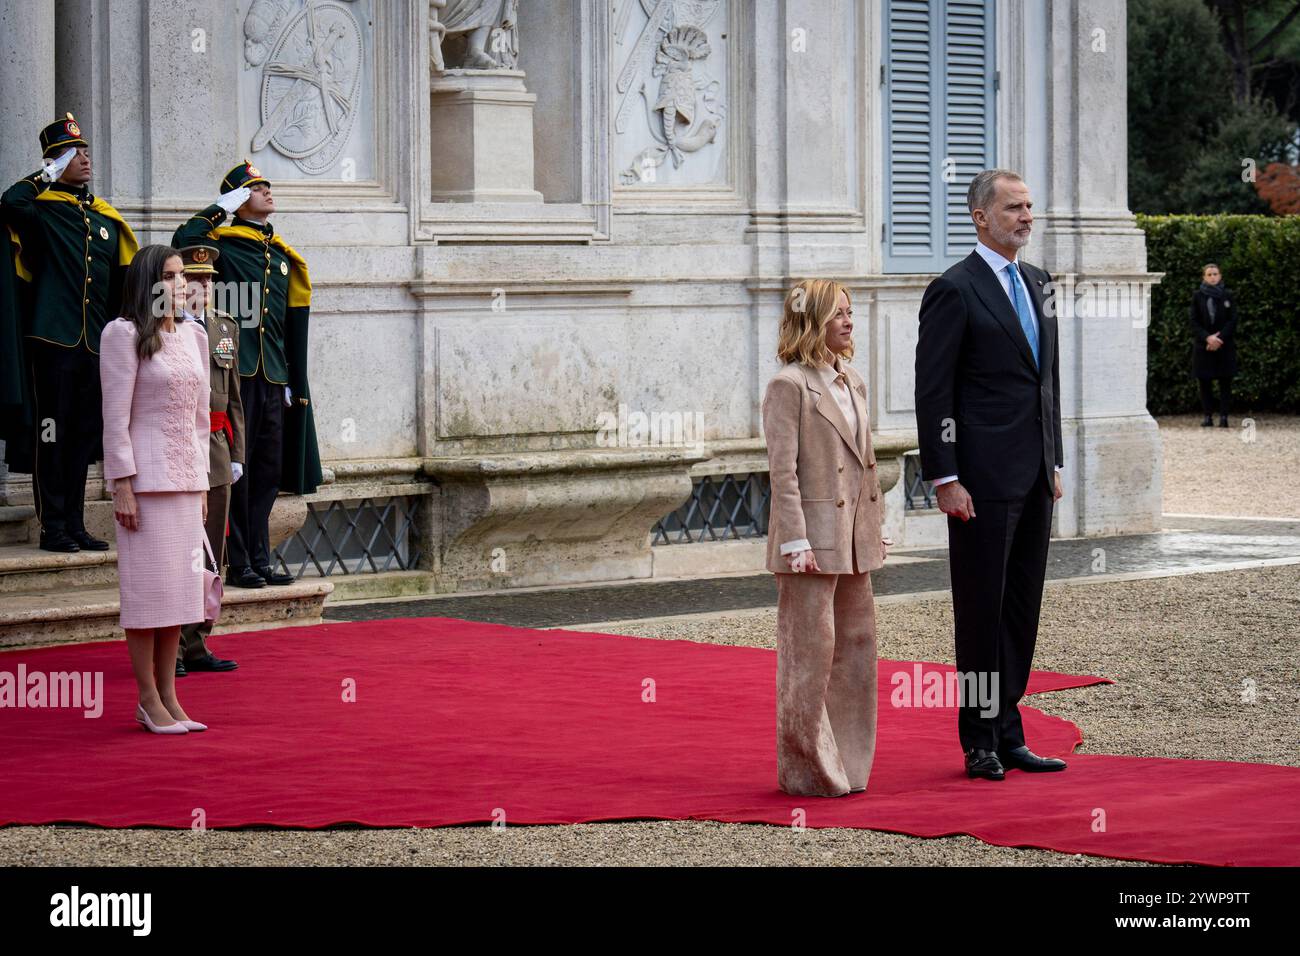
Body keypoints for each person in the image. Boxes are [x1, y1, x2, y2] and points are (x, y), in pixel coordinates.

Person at [914, 168, 1067, 781]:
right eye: (1014, 208)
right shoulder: (953, 288)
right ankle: (978, 741)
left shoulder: (1040, 281)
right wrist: (945, 475)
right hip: (979, 478)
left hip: (1033, 475)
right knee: (981, 609)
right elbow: (935, 390)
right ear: (982, 217)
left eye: (1030, 206)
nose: (1027, 217)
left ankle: (1010, 731)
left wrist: (1052, 460)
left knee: (1021, 608)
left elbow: (1045, 380)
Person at [762, 279, 889, 797]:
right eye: (838, 312)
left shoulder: (853, 380)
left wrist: (874, 530)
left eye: (851, 311)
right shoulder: (787, 385)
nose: (849, 320)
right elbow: (782, 473)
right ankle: (806, 768)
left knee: (857, 649)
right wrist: (795, 540)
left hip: (854, 538)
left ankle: (851, 767)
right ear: (812, 320)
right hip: (809, 543)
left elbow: (864, 466)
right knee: (809, 653)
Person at [173, 160, 321, 590]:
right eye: (256, 187)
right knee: (239, 469)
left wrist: (292, 377)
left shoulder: (279, 254)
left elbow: (285, 323)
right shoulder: (224, 243)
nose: (267, 190)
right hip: (235, 370)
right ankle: (238, 560)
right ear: (239, 199)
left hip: (272, 374)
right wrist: (220, 208)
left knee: (268, 472)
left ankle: (260, 555)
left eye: (267, 185)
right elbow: (185, 243)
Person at [1, 113, 137, 552]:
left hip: (93, 344)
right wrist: (43, 175)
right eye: (73, 153)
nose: (84, 158)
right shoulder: (41, 209)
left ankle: (75, 523)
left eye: (85, 151)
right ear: (54, 161)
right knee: (50, 433)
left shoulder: (102, 218)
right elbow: (10, 203)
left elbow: (120, 282)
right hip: (52, 340)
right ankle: (52, 524)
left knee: (81, 437)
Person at [100, 245, 210, 734]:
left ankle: (169, 696)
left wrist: (203, 482)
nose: (182, 283)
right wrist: (121, 484)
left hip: (187, 481)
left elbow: (201, 421)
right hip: (145, 483)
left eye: (183, 274)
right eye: (171, 275)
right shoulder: (121, 334)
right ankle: (147, 698)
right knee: (148, 597)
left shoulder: (195, 336)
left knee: (180, 598)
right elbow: (115, 416)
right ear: (149, 282)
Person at [176, 244, 243, 678]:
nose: (203, 287)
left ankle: (199, 642)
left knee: (211, 553)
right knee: (181, 551)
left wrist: (237, 455)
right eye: (194, 280)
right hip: (180, 448)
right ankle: (173, 648)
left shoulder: (224, 327)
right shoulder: (165, 328)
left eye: (209, 281)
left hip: (217, 450)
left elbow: (234, 394)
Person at [1189, 263, 1237, 428]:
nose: (1212, 277)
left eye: (1215, 274)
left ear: (1220, 275)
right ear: (1204, 277)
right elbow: (1194, 321)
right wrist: (1208, 338)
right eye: (1209, 274)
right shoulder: (1197, 296)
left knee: (1225, 382)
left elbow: (1233, 320)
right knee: (1205, 382)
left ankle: (1224, 417)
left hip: (1224, 346)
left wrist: (1219, 338)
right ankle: (1207, 416)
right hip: (1203, 346)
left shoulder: (1228, 295)